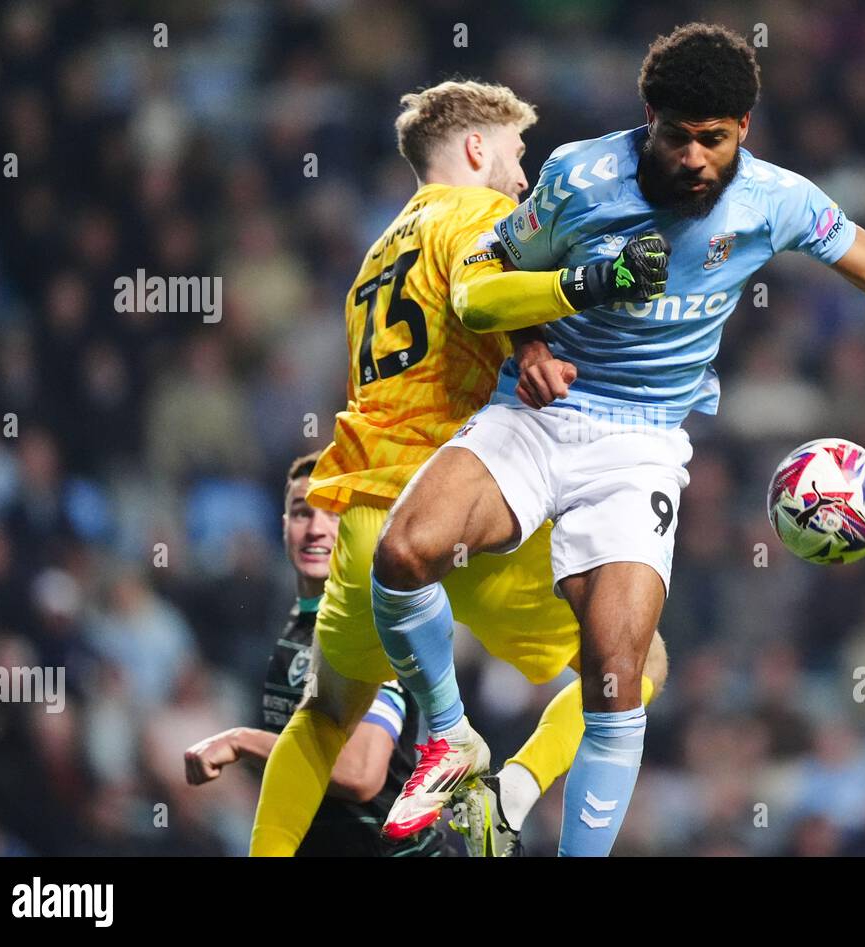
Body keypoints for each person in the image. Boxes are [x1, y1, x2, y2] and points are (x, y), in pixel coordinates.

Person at [374, 23, 865, 857]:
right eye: (678, 135)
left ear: (744, 132)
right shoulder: (579, 176)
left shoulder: (776, 199)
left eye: (713, 140)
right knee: (402, 553)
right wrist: (531, 346)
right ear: (649, 117)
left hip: (642, 443)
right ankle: (450, 733)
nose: (694, 157)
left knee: (616, 679)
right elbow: (491, 273)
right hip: (539, 412)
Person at [248, 79, 672, 857]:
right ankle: (511, 789)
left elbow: (461, 323)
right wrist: (597, 284)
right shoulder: (482, 214)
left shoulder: (377, 253)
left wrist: (533, 347)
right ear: (477, 150)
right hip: (459, 506)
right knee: (636, 663)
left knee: (322, 716)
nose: (522, 178)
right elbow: (484, 293)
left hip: (367, 511)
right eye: (515, 156)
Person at [184, 452, 452, 855]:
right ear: (283, 526)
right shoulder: (294, 626)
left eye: (333, 514)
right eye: (301, 513)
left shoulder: (367, 627)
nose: (316, 530)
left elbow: (362, 772)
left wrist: (242, 742)